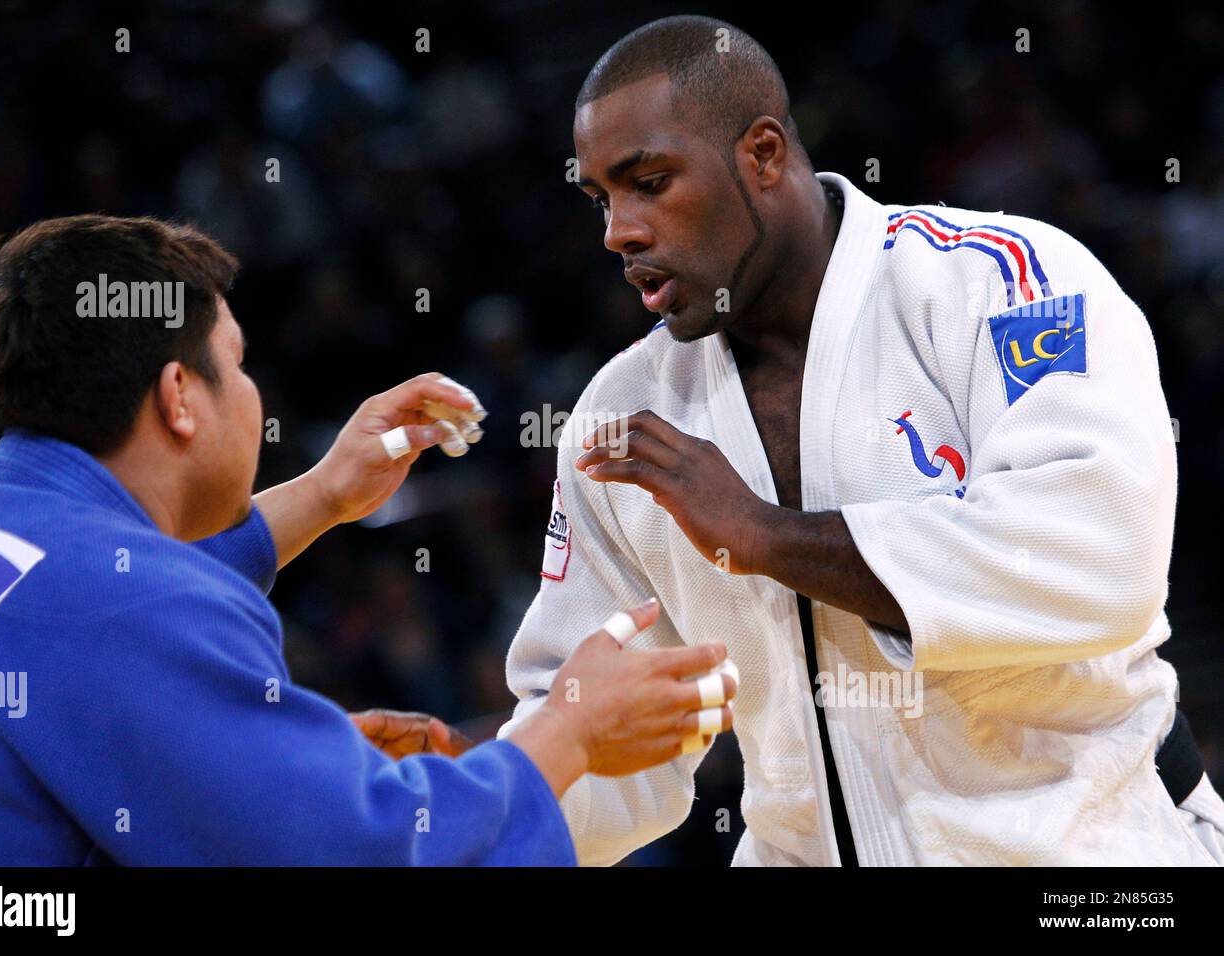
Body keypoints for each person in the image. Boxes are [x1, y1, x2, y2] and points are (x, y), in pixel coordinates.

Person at [498, 15, 1224, 865]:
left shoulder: (1007, 282)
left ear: (763, 155)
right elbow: (590, 717)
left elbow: (1102, 555)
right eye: (601, 199)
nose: (618, 231)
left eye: (649, 182)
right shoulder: (622, 417)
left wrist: (767, 536)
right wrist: (465, 796)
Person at [0, 213, 735, 865]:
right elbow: (373, 852)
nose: (252, 394)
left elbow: (84, 631)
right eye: (238, 365)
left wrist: (324, 495)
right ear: (179, 397)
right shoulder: (124, 605)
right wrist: (570, 731)